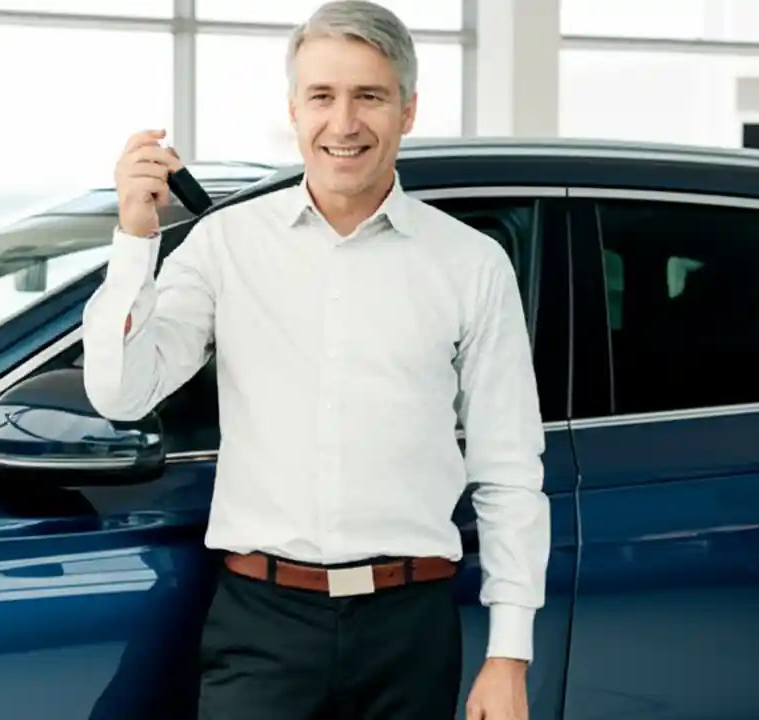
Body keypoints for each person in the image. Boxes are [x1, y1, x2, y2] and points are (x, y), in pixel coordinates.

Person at [81, 1, 549, 718]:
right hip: (262, 625)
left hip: (410, 630)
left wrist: (509, 655)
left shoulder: (471, 264)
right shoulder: (225, 244)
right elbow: (120, 392)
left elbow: (509, 469)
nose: (345, 123)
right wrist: (135, 238)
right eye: (323, 97)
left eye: (370, 96)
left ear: (408, 110)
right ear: (294, 110)